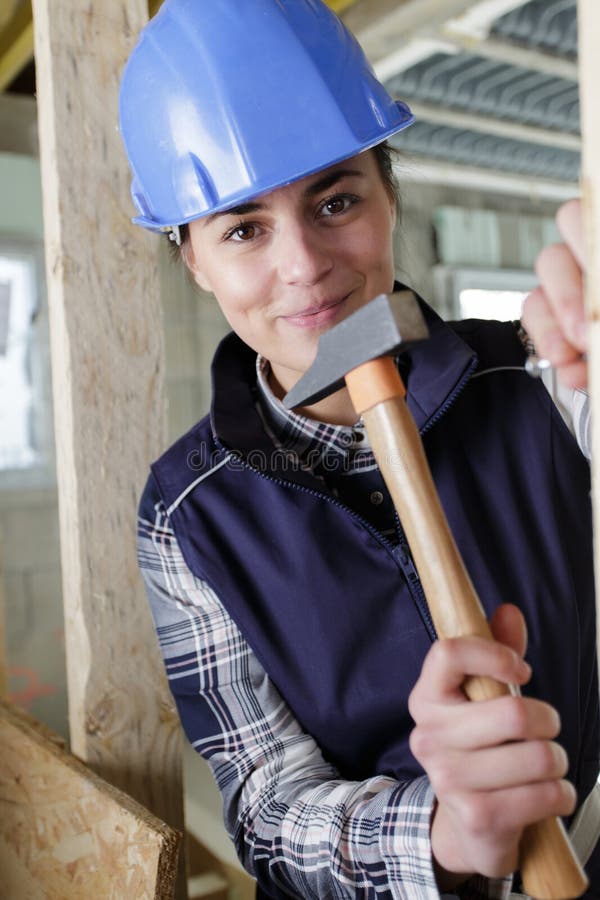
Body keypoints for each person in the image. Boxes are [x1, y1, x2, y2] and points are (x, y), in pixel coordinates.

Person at [120, 1, 599, 897]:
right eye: (243, 228)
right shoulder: (186, 516)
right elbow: (267, 807)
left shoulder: (546, 374)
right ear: (193, 258)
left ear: (389, 195)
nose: (303, 266)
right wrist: (448, 832)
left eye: (334, 200)